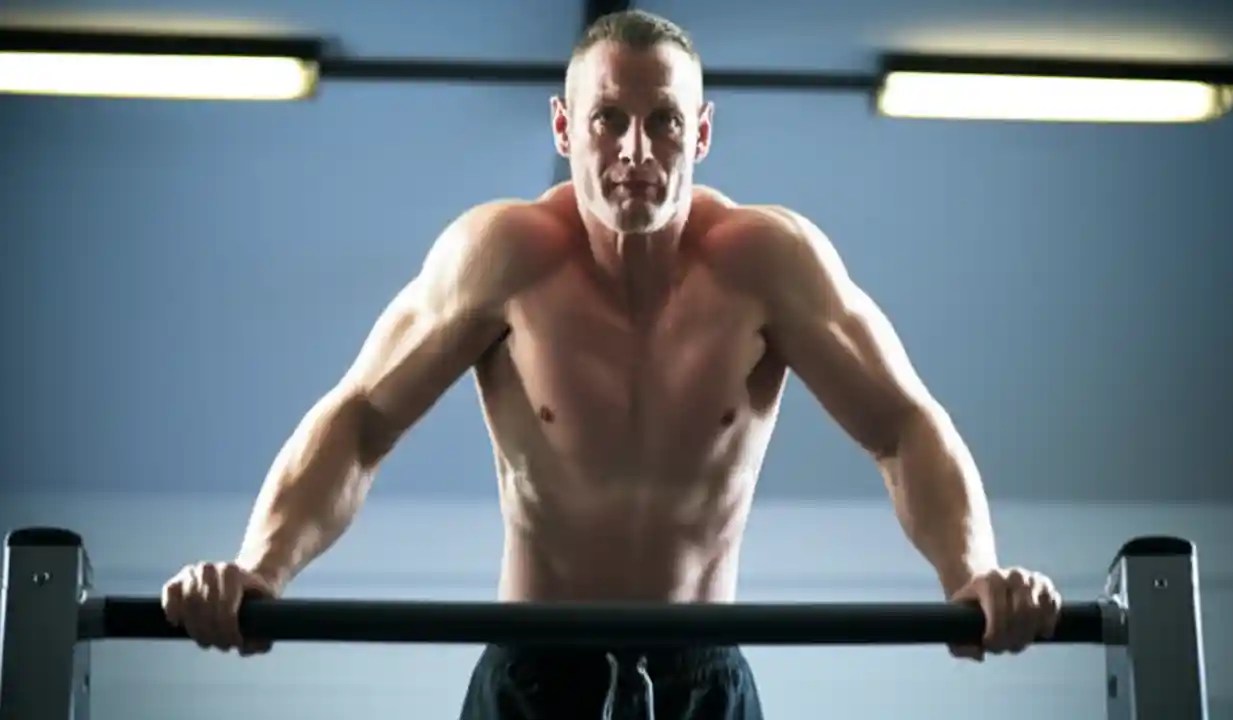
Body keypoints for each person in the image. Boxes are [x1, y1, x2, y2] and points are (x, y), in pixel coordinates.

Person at [160, 9, 1063, 720]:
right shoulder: (502, 257)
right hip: (532, 679)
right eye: (609, 121)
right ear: (565, 126)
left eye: (664, 123)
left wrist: (969, 574)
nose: (636, 151)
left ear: (701, 134)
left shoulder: (769, 264)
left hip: (703, 680)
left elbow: (904, 426)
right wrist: (261, 569)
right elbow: (360, 422)